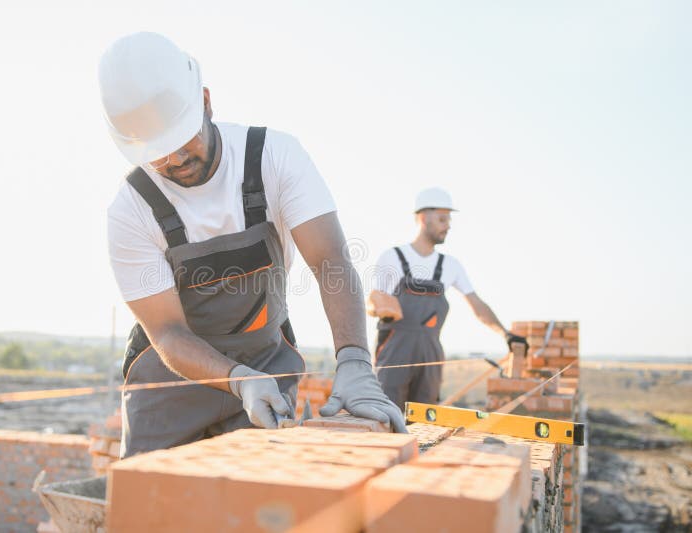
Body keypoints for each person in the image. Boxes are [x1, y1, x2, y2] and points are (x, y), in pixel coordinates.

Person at [100, 32, 405, 458]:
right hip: (171, 382)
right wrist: (236, 379)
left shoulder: (273, 158)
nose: (174, 161)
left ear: (205, 101)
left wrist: (354, 360)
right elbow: (167, 332)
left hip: (265, 366)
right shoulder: (131, 207)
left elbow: (329, 261)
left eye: (182, 141)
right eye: (157, 154)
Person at [368, 187, 528, 409]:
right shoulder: (392, 258)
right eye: (443, 219)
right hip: (395, 351)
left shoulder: (450, 266)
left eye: (449, 219)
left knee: (423, 424)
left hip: (430, 353)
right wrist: (378, 308)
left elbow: (477, 306)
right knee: (385, 415)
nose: (448, 225)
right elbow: (376, 302)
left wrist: (506, 334)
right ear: (423, 217)